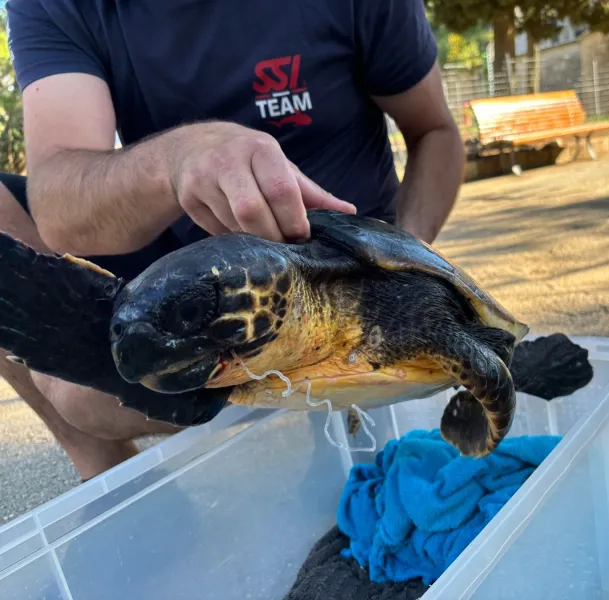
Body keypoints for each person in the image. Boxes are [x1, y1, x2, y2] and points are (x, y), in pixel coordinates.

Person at [0, 0, 465, 482]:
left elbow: (435, 131)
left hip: (352, 273)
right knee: (76, 390)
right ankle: (113, 484)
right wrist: (176, 159)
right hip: (189, 277)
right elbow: (58, 205)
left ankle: (332, 397)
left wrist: (406, 266)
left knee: (475, 363)